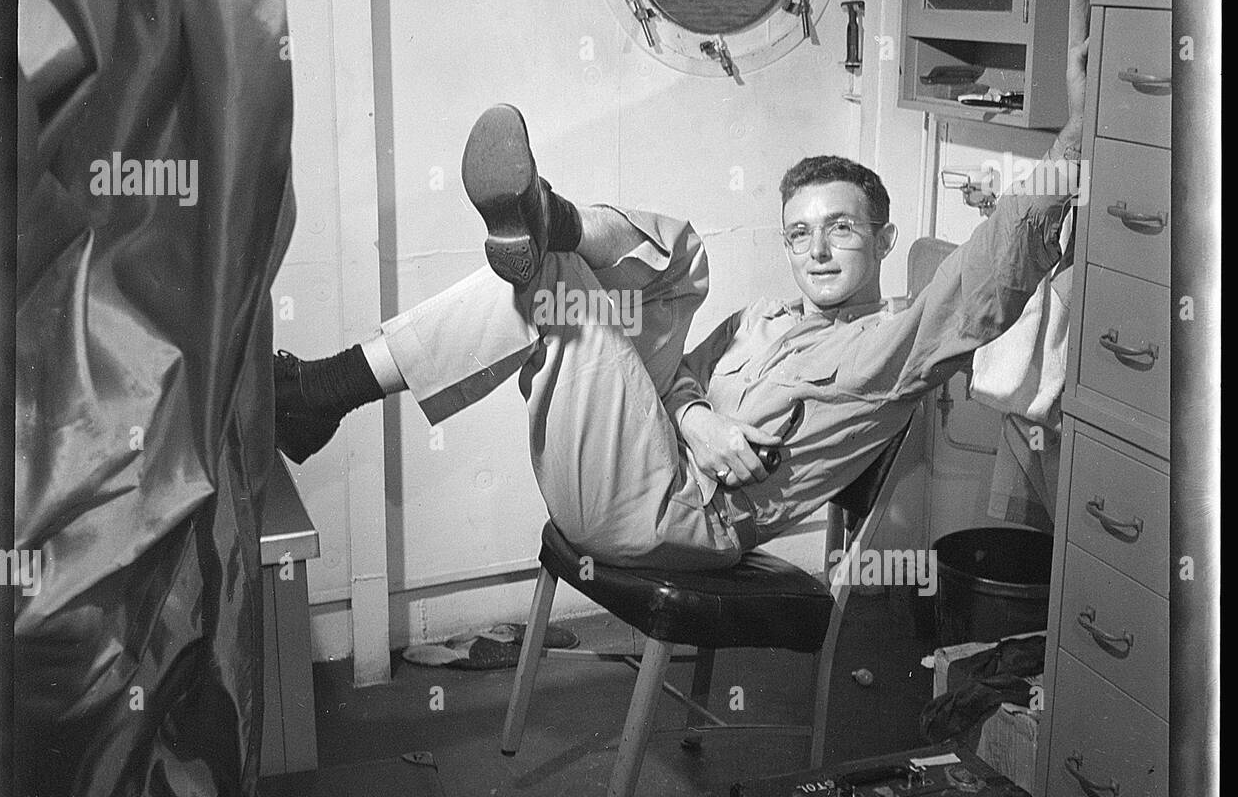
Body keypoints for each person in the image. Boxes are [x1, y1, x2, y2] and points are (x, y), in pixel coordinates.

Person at [275, 95, 1083, 572]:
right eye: (799, 234)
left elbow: (982, 284)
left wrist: (1071, 149)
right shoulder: (763, 318)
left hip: (673, 516)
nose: (819, 248)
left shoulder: (892, 347)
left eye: (842, 228)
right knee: (679, 263)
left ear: (882, 236)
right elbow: (671, 380)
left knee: (559, 279)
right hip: (632, 453)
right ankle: (548, 225)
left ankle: (329, 388)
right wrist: (698, 417)